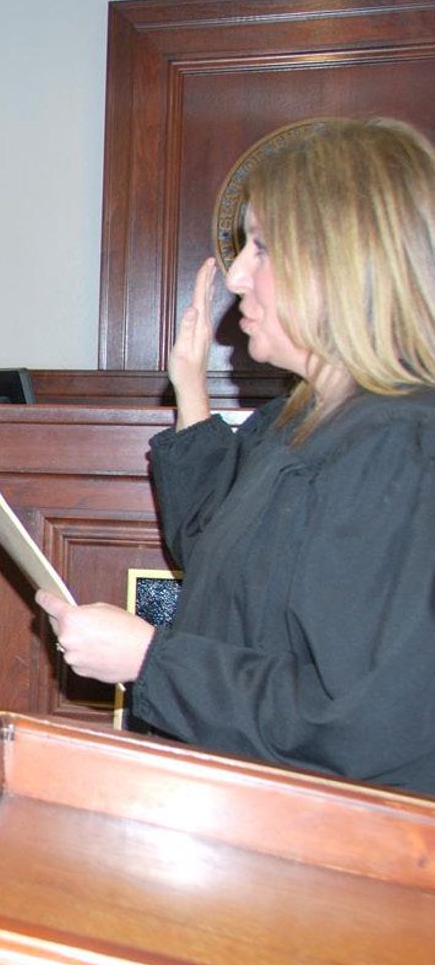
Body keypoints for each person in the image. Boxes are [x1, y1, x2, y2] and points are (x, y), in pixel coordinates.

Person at [38, 117, 435, 797]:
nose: (239, 273)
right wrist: (190, 383)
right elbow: (212, 546)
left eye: (264, 247)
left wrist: (148, 660)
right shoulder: (303, 415)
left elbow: (355, 724)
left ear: (344, 260)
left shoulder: (396, 449)